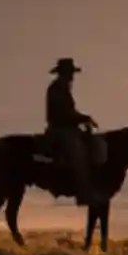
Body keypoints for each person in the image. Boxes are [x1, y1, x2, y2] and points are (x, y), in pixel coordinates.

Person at [45, 57, 100, 206]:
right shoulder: (56, 89)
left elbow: (70, 111)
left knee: (91, 144)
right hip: (59, 129)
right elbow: (62, 113)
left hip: (67, 127)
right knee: (78, 153)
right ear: (63, 73)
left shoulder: (63, 89)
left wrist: (82, 118)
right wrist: (81, 119)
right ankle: (82, 194)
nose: (72, 76)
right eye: (69, 73)